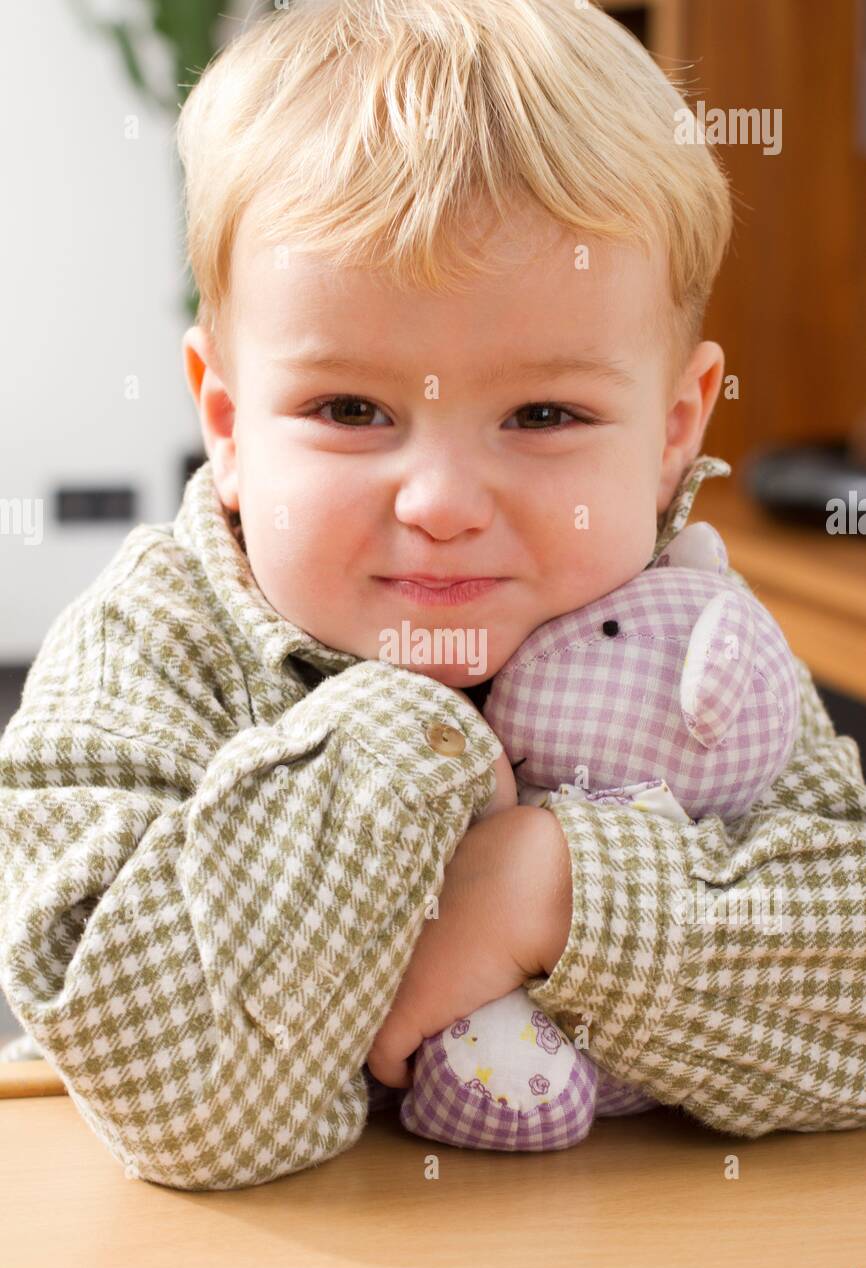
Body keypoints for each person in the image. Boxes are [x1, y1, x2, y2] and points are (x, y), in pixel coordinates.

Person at [1, 0, 863, 1191]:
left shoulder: (697, 641)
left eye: (543, 415)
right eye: (352, 412)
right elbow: (179, 1103)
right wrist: (411, 730)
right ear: (226, 422)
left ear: (672, 432)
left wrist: (548, 889)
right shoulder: (148, 646)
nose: (444, 500)